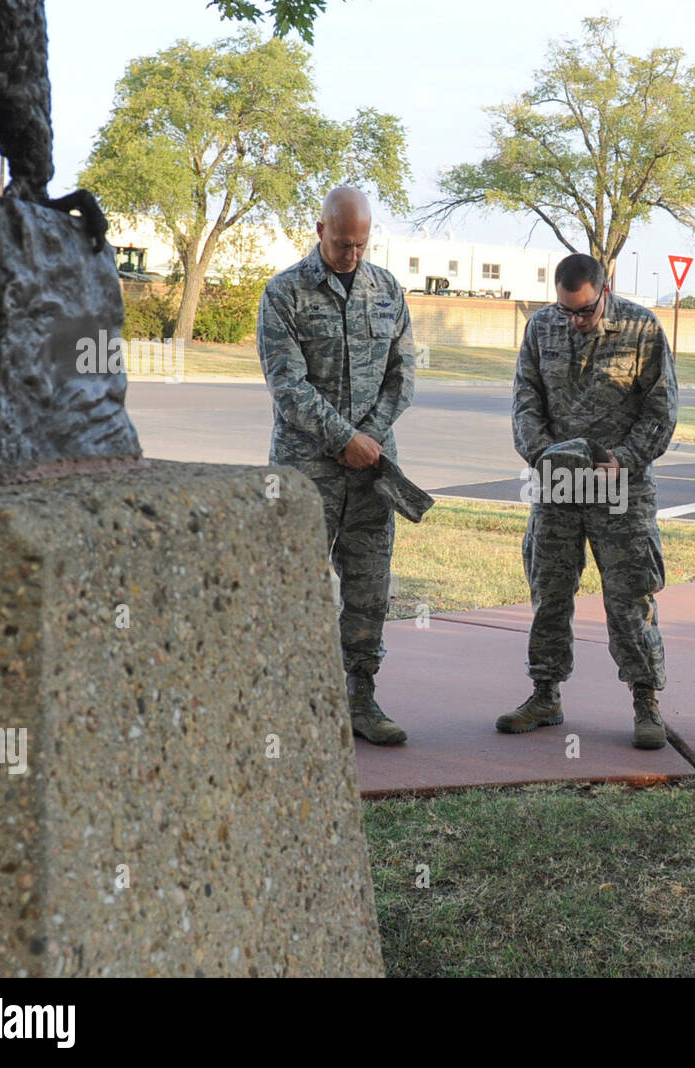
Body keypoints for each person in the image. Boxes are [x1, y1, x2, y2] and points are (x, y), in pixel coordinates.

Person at [257, 187, 415, 746]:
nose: (353, 254)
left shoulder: (388, 289)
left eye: (362, 243)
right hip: (307, 472)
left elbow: (403, 375)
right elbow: (287, 386)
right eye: (344, 243)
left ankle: (361, 700)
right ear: (319, 229)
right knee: (295, 586)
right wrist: (342, 438)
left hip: (373, 471)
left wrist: (368, 438)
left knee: (370, 588)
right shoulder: (284, 294)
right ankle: (292, 704)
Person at [500, 253, 678, 748]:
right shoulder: (542, 327)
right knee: (549, 590)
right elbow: (525, 401)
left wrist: (624, 458)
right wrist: (543, 455)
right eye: (567, 311)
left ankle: (645, 701)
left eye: (584, 311)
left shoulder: (642, 329)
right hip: (559, 481)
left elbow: (661, 412)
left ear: (605, 290)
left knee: (629, 598)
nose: (576, 321)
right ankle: (545, 693)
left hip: (619, 484)